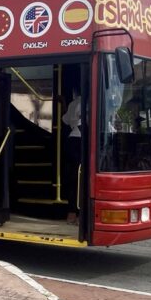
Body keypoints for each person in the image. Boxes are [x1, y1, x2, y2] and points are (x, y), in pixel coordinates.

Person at [62, 89, 82, 223]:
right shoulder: (88, 102)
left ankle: (71, 212)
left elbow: (65, 120)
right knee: (82, 178)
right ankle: (81, 212)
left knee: (72, 177)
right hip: (82, 140)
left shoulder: (73, 103)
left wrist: (64, 103)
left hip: (72, 139)